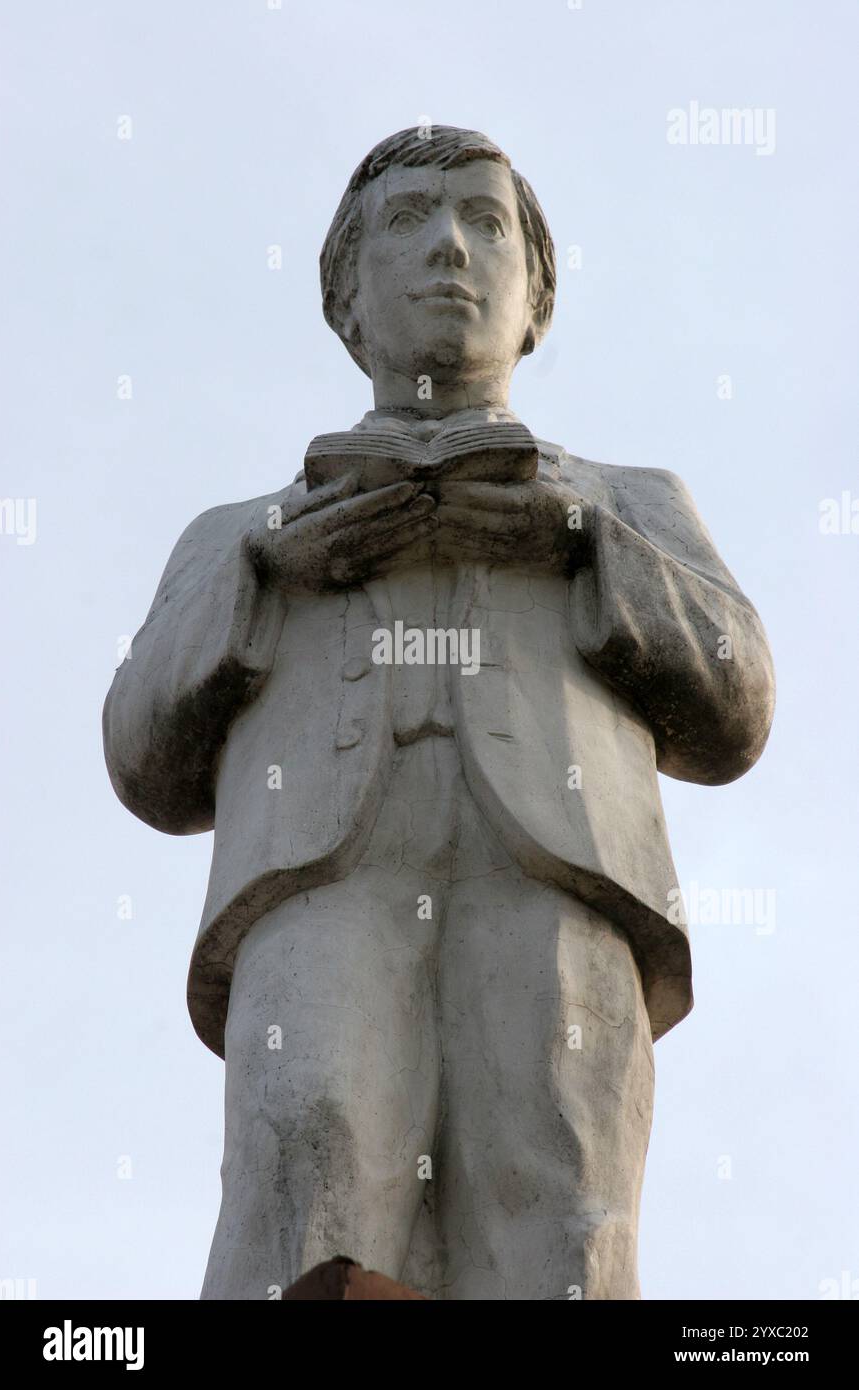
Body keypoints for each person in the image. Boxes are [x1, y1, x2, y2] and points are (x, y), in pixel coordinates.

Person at [103, 126, 775, 1300]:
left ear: (535, 301)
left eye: (483, 220)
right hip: (320, 880)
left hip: (552, 877)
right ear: (346, 303)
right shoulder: (237, 532)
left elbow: (736, 700)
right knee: (301, 1163)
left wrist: (582, 545)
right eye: (407, 222)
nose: (450, 248)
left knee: (560, 1203)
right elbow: (139, 751)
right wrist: (266, 577)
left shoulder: (628, 500)